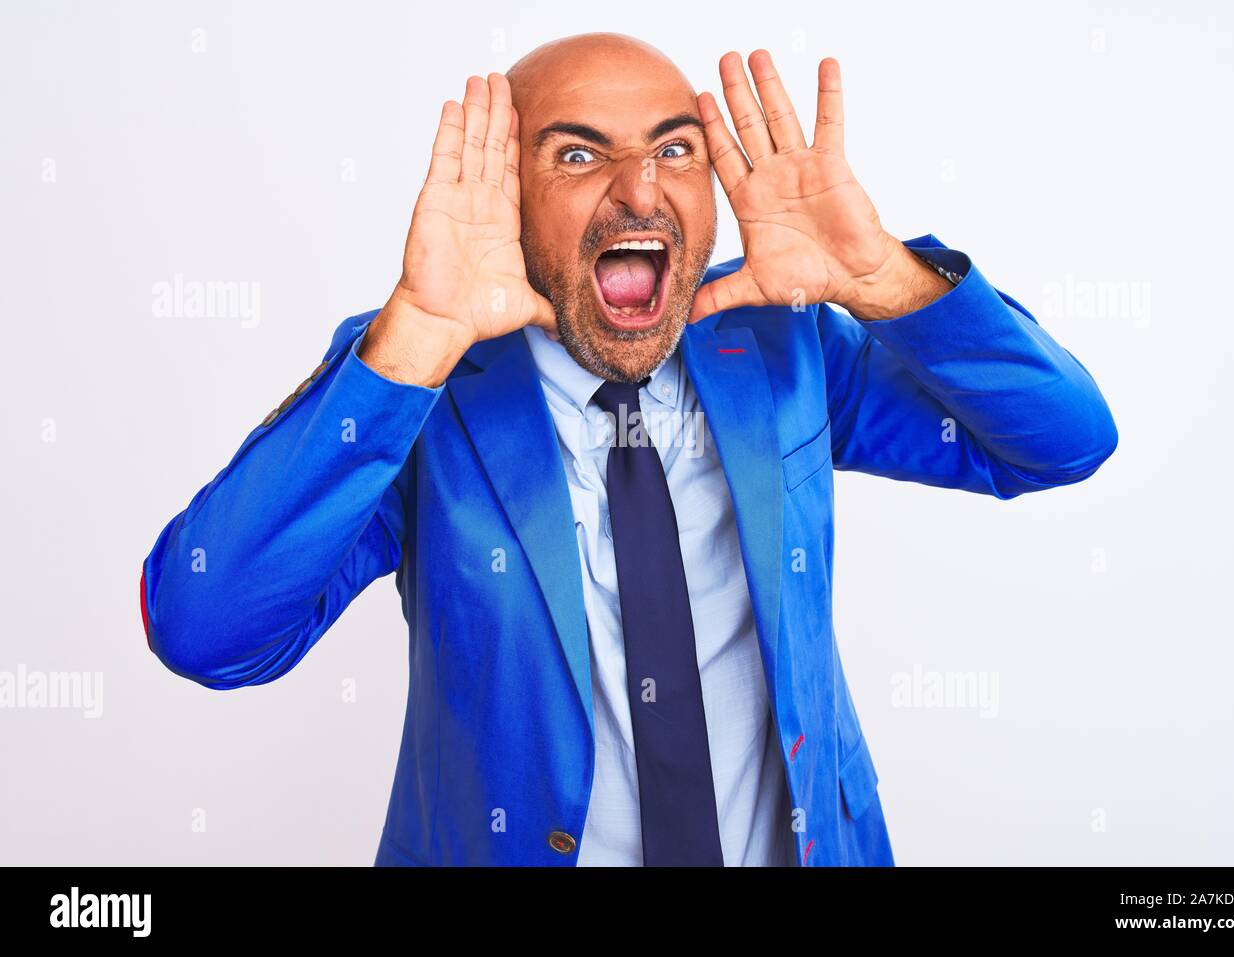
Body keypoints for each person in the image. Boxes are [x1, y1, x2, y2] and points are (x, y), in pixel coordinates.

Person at [139, 33, 1118, 867]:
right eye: (575, 157)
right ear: (504, 199)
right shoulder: (423, 382)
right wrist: (412, 342)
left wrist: (880, 278)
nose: (639, 190)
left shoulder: (786, 344)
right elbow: (206, 628)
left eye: (675, 150)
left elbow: (1062, 442)